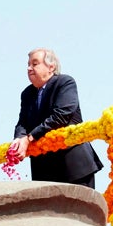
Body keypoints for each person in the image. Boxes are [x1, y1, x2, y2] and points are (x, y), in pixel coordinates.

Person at [9, 48, 104, 188]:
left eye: (35, 64)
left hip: (73, 165)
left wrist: (29, 138)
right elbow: (23, 122)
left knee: (78, 209)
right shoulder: (27, 94)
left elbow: (61, 115)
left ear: (51, 66)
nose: (29, 68)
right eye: (28, 64)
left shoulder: (65, 82)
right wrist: (19, 138)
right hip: (44, 171)